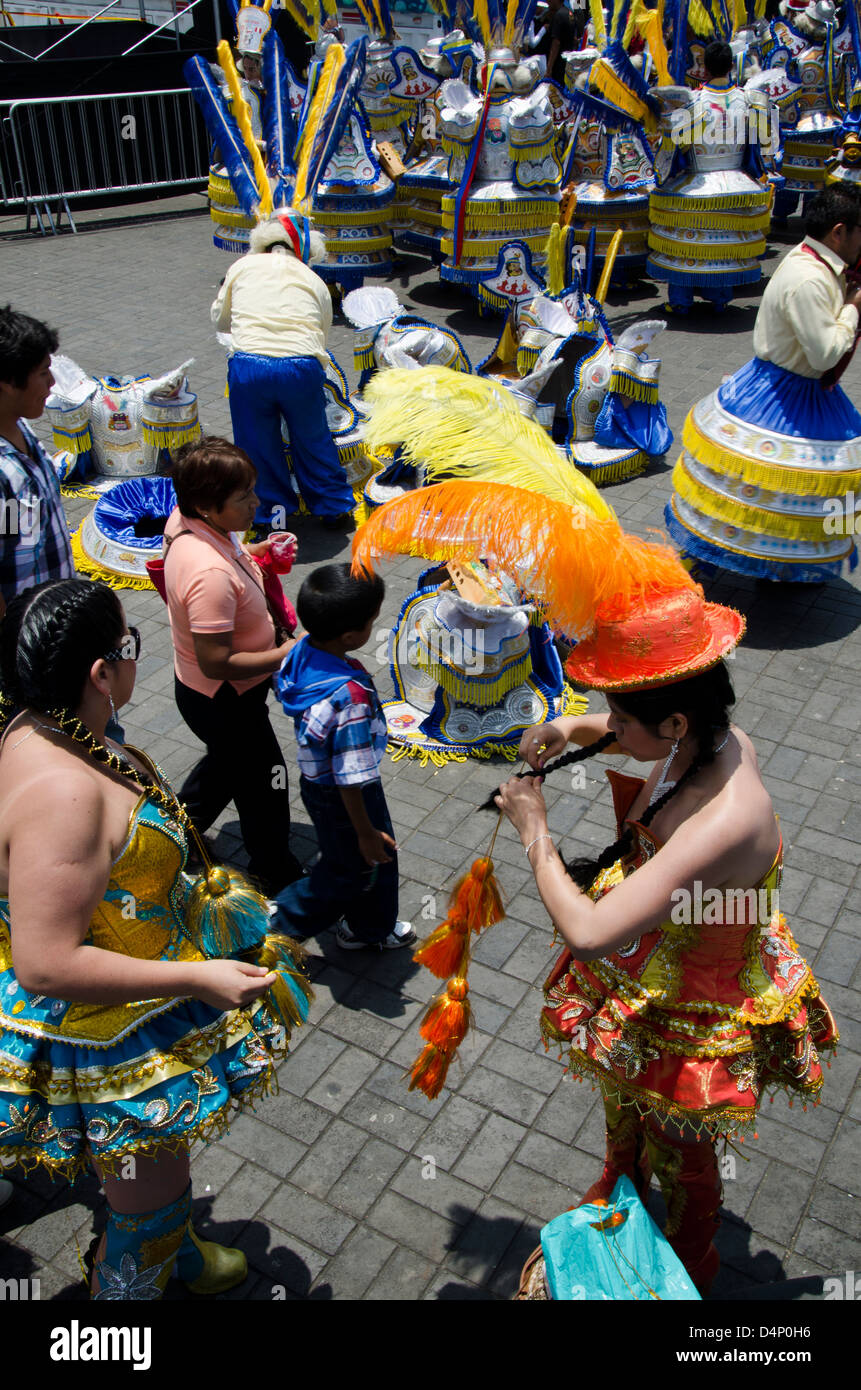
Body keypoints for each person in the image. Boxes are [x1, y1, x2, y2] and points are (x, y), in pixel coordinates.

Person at [495, 585, 836, 1295]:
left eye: (621, 715)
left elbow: (588, 934)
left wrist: (535, 833)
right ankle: (618, 1179)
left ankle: (688, 1261)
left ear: (676, 719)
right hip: (654, 971)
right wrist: (567, 730)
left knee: (683, 1145)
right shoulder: (706, 736)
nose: (609, 726)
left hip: (698, 1006)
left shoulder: (724, 822)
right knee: (623, 1097)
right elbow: (628, 731)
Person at [0, 578, 309, 1299]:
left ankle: (178, 1247)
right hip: (106, 1035)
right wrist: (197, 979)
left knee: (152, 1181)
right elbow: (48, 964)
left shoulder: (34, 725)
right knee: (146, 1200)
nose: (137, 659)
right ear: (99, 674)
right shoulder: (65, 794)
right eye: (128, 647)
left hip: (129, 992)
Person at [666, 184, 861, 579]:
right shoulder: (810, 278)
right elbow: (825, 353)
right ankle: (724, 557)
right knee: (764, 482)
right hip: (784, 392)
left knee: (787, 486)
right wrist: (853, 310)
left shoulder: (817, 265)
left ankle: (784, 564)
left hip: (796, 389)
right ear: (839, 231)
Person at [164, 436, 303, 895]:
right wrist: (290, 651)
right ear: (207, 505)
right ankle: (275, 870)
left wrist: (257, 552)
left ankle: (172, 836)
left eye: (253, 491)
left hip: (209, 696)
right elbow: (218, 660)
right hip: (225, 697)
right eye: (244, 497)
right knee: (266, 781)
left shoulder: (189, 521)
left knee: (227, 764)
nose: (255, 503)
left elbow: (231, 553)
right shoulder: (209, 573)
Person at [269, 563, 416, 950]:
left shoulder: (302, 648)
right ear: (351, 635)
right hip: (348, 795)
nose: (372, 628)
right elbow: (351, 775)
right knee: (364, 863)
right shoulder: (349, 697)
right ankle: (285, 926)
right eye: (371, 622)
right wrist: (365, 832)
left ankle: (365, 923)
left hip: (317, 785)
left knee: (344, 859)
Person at [211, 211, 356, 533]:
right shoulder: (313, 279)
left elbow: (220, 320)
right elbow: (321, 333)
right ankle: (332, 507)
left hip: (250, 365)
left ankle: (272, 516)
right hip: (300, 366)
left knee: (258, 446)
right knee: (313, 437)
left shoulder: (242, 267)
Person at [0, 306, 74, 618]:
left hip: (55, 616)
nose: (52, 383)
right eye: (43, 373)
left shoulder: (22, 428)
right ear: (7, 382)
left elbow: (20, 533)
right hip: (27, 635)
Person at [537, 0, 580, 86]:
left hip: (558, 65)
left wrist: (549, 69)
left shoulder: (559, 16)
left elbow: (556, 43)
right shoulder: (570, 13)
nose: (547, 2)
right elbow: (574, 39)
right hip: (568, 63)